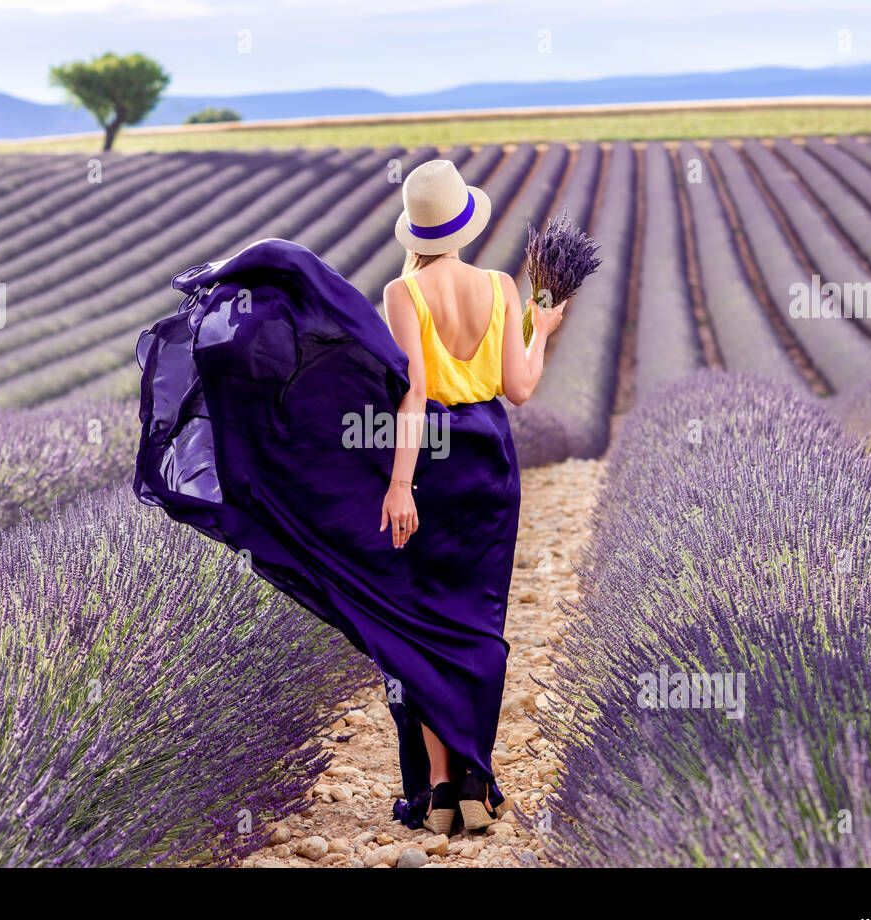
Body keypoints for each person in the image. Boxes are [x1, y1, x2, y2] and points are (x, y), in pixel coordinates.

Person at [133, 156, 566, 838]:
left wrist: (398, 485)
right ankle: (472, 783)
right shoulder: (503, 286)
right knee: (477, 620)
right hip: (491, 462)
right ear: (465, 223)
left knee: (420, 623)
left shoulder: (405, 293)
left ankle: (444, 790)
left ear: (414, 232)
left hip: (433, 465)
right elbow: (519, 388)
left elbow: (414, 396)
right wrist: (541, 332)